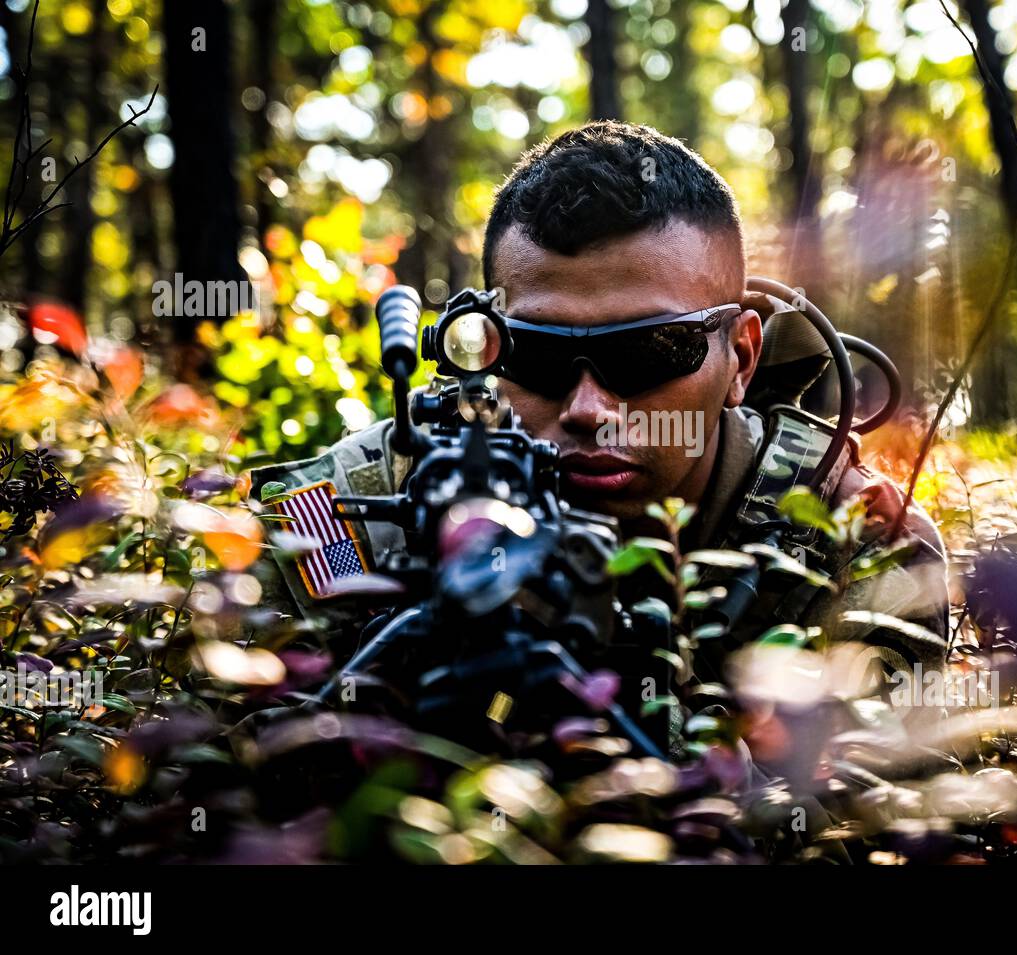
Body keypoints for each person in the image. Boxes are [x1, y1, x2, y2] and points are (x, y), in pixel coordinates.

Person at [248, 121, 949, 722]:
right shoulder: (356, 510)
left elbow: (873, 805)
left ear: (740, 358)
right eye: (537, 356)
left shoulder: (855, 543)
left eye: (650, 351)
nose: (587, 410)